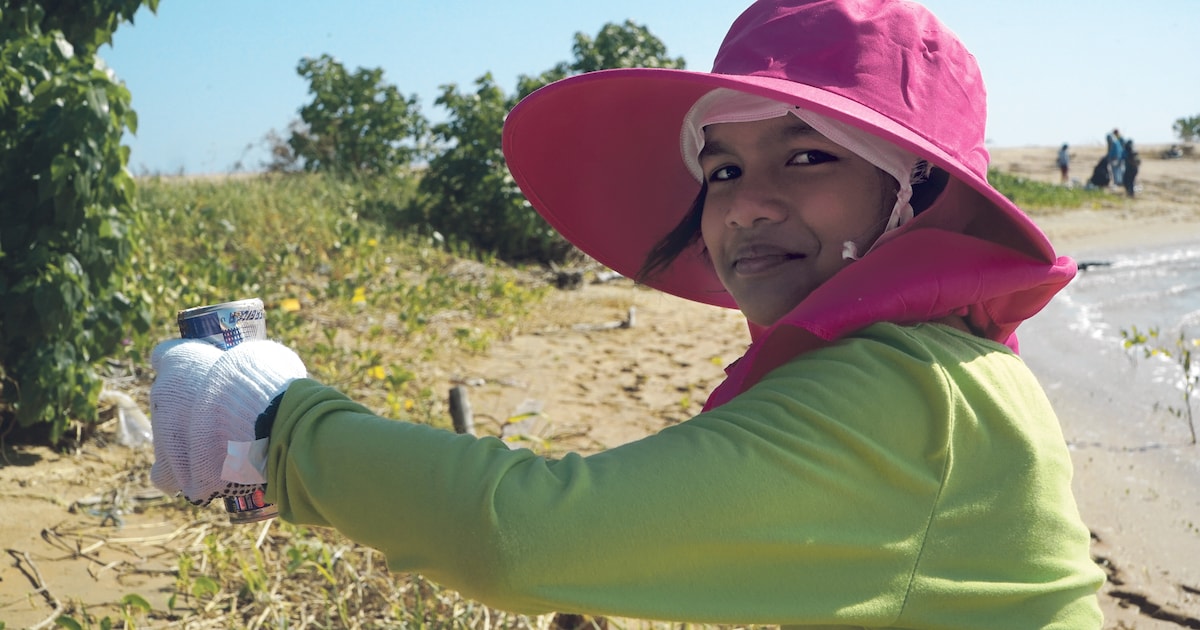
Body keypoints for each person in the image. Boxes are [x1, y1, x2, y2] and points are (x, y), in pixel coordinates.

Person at [148, 0, 1105, 627]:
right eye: (722, 168)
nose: (746, 203)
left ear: (923, 196)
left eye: (807, 156)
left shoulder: (897, 392)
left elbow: (518, 536)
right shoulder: (948, 366)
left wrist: (272, 423)